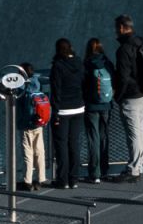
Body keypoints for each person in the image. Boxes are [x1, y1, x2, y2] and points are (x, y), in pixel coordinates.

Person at [112, 13, 143, 181]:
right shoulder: (141, 42)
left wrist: (117, 96)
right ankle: (138, 166)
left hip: (131, 97)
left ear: (121, 27)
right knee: (139, 132)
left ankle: (133, 169)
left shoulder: (124, 49)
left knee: (133, 134)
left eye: (116, 28)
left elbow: (123, 77)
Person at [46, 38, 89, 189]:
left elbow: (56, 90)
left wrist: (55, 111)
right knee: (74, 143)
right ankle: (74, 178)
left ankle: (62, 180)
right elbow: (84, 83)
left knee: (61, 145)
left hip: (63, 110)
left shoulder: (58, 66)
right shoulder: (78, 62)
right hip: (79, 108)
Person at [82, 37, 118, 183]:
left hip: (91, 106)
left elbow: (82, 84)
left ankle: (94, 174)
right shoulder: (107, 63)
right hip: (107, 105)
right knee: (104, 137)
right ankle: (104, 171)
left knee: (93, 138)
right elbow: (115, 80)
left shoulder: (87, 64)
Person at [11, 59, 50, 190]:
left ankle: (27, 181)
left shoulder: (21, 86)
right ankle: (41, 179)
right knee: (39, 151)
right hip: (38, 122)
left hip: (26, 125)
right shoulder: (37, 83)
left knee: (28, 153)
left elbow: (14, 94)